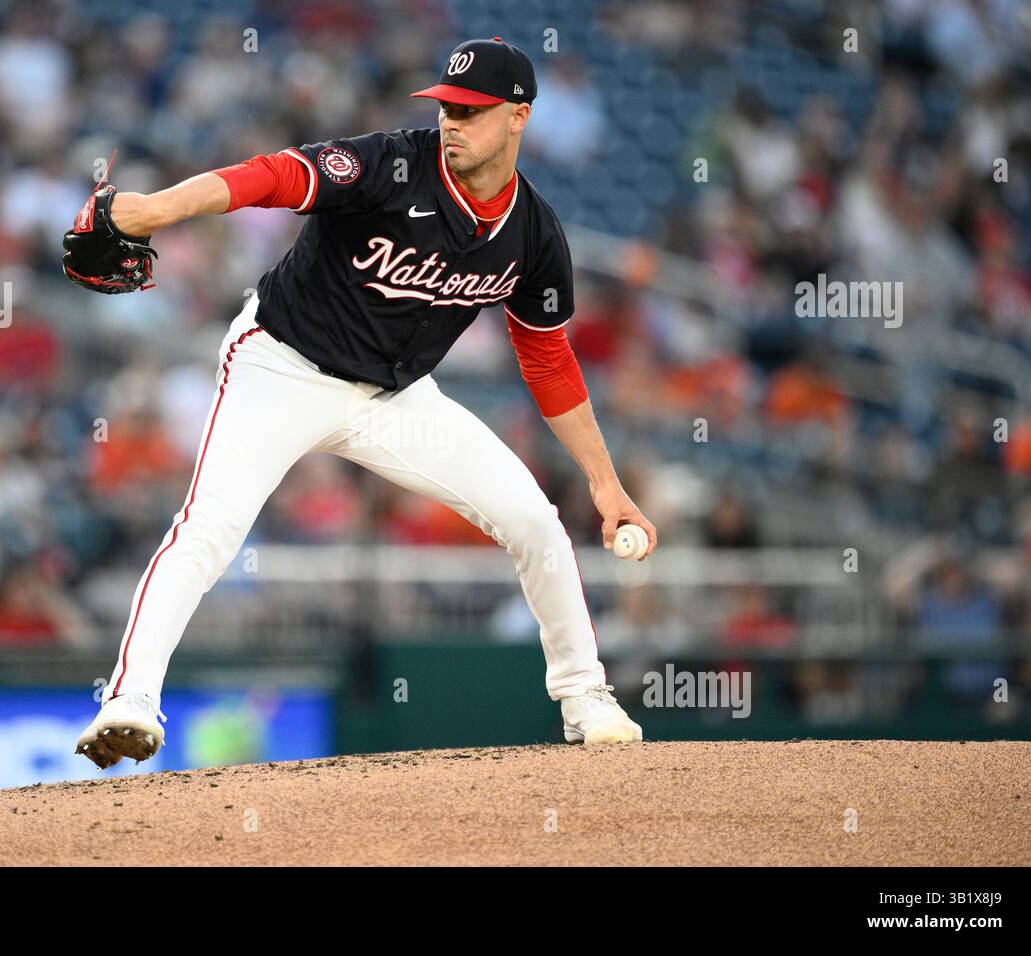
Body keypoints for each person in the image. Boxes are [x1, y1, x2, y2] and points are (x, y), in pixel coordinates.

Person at [71, 38, 657, 769]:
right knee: (211, 527)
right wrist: (156, 210)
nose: (452, 122)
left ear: (518, 118)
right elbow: (272, 176)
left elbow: (547, 358)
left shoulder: (535, 235)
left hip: (396, 396)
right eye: (447, 107)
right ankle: (129, 700)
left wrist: (605, 483)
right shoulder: (389, 165)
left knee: (536, 522)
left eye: (472, 112)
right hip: (281, 365)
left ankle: (585, 698)